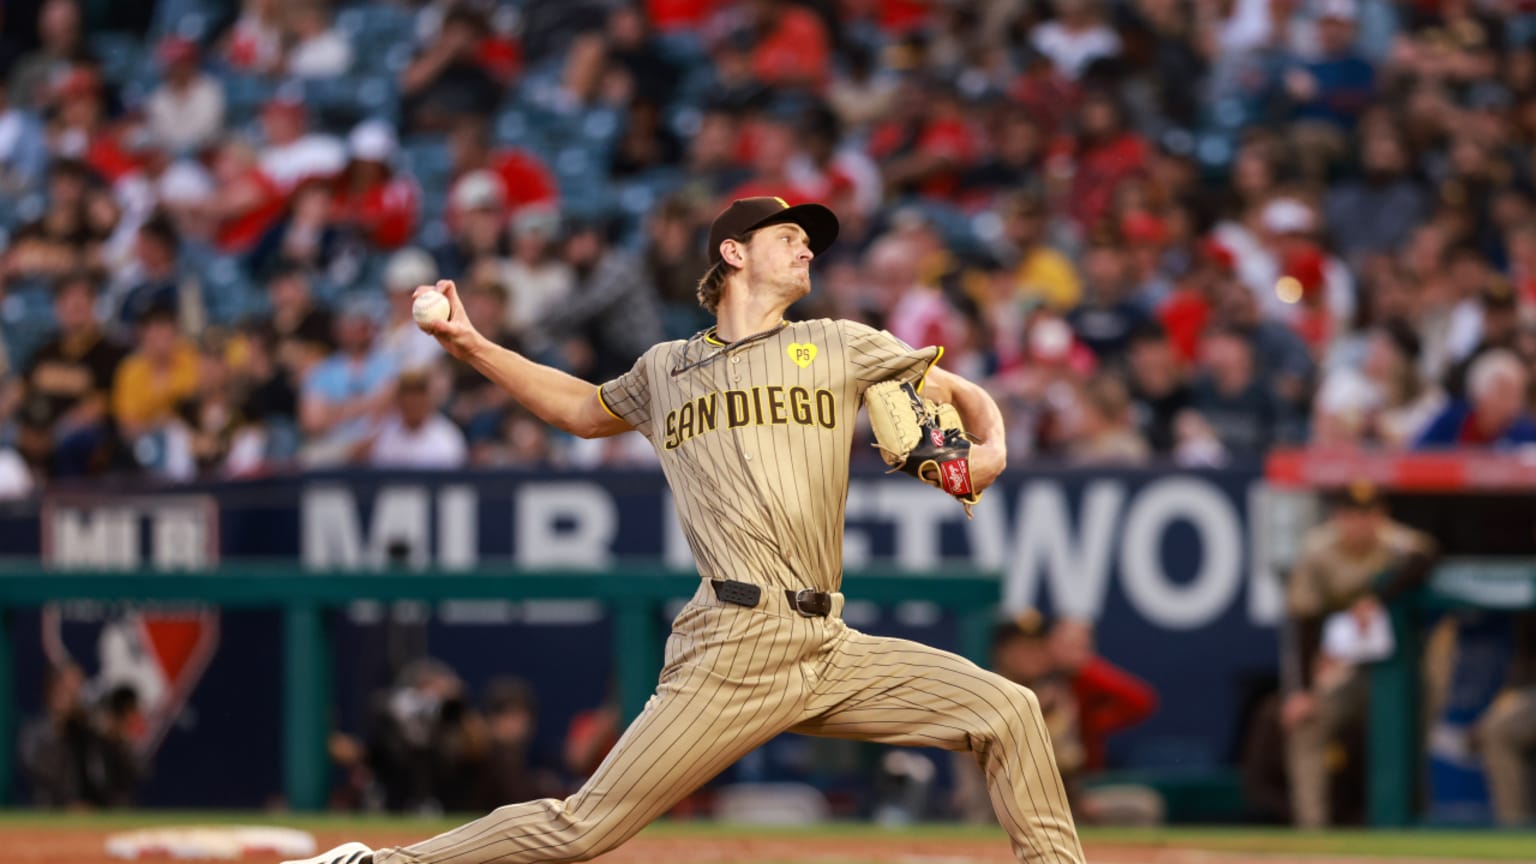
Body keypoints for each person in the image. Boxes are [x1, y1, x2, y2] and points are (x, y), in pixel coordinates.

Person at [285, 197, 1084, 864]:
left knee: (1009, 712)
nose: (808, 250)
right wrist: (469, 341)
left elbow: (952, 401)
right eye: (789, 238)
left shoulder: (841, 344)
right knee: (582, 828)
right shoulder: (666, 368)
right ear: (733, 252)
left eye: (811, 243)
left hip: (828, 644)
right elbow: (577, 408)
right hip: (732, 645)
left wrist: (989, 441)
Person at [1281, 481, 1437, 829]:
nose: (1361, 523)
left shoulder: (1395, 542)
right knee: (1307, 723)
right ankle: (1311, 832)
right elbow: (1303, 623)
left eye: (1368, 515)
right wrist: (1302, 690)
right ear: (1339, 516)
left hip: (1398, 668)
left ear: (1380, 515)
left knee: (1414, 740)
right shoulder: (1318, 550)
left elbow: (1429, 555)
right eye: (1353, 515)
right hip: (1343, 668)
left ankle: (1410, 825)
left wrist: (1378, 597)